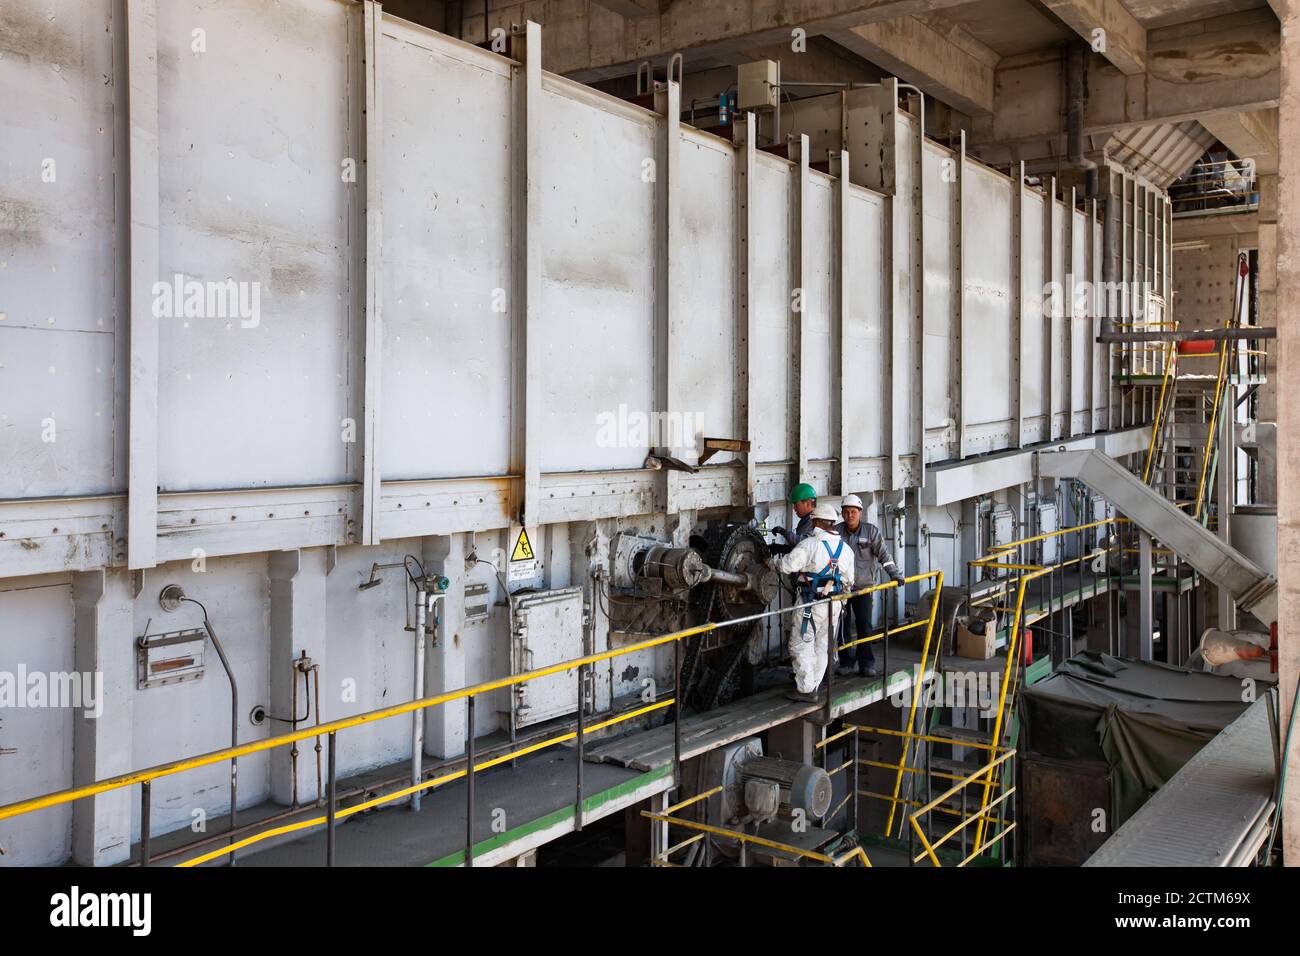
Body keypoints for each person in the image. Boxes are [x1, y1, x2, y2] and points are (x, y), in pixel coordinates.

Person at [768, 502, 856, 702]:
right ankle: (813, 685)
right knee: (823, 645)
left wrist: (770, 563)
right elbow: (850, 580)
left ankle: (806, 689)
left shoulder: (810, 544)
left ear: (816, 522)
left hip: (811, 603)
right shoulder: (846, 549)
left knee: (800, 643)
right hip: (834, 605)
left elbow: (786, 566)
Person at [834, 494, 904, 679]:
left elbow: (885, 557)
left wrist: (895, 575)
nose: (850, 515)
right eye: (846, 512)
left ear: (860, 513)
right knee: (842, 627)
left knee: (865, 626)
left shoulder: (871, 532)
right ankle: (847, 662)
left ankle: (866, 664)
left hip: (864, 588)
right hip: (841, 589)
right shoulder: (835, 533)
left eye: (853, 512)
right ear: (842, 514)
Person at [769, 482, 817, 555]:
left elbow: (802, 543)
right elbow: (798, 548)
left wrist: (783, 532)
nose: (794, 508)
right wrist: (781, 548)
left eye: (796, 504)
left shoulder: (814, 520)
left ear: (808, 503)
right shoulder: (807, 519)